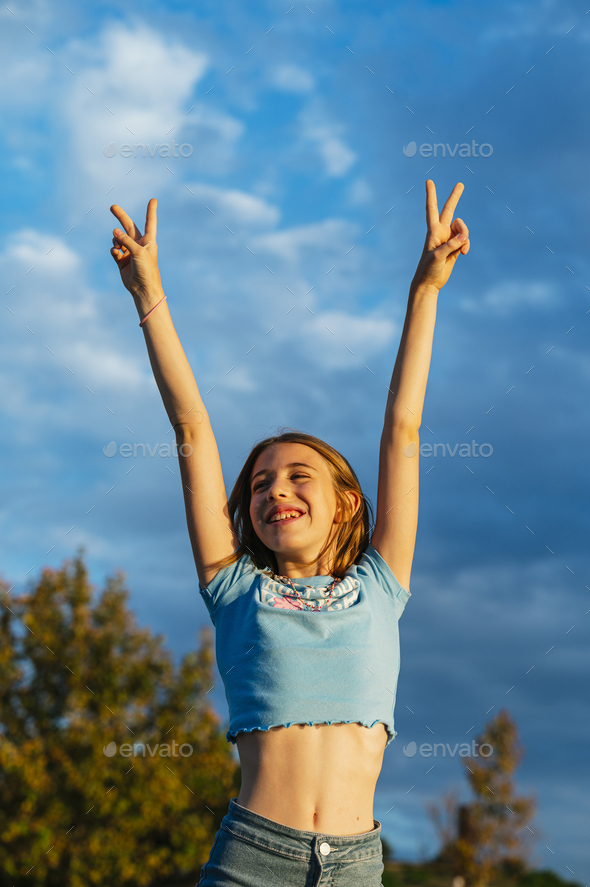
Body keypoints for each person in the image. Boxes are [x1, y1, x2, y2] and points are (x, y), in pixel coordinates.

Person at [109, 179, 470, 886]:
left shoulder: (381, 581)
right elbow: (191, 427)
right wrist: (148, 298)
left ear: (343, 502)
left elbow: (403, 429)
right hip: (253, 858)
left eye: (298, 475)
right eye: (260, 483)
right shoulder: (234, 585)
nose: (275, 488)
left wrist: (426, 289)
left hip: (359, 864)